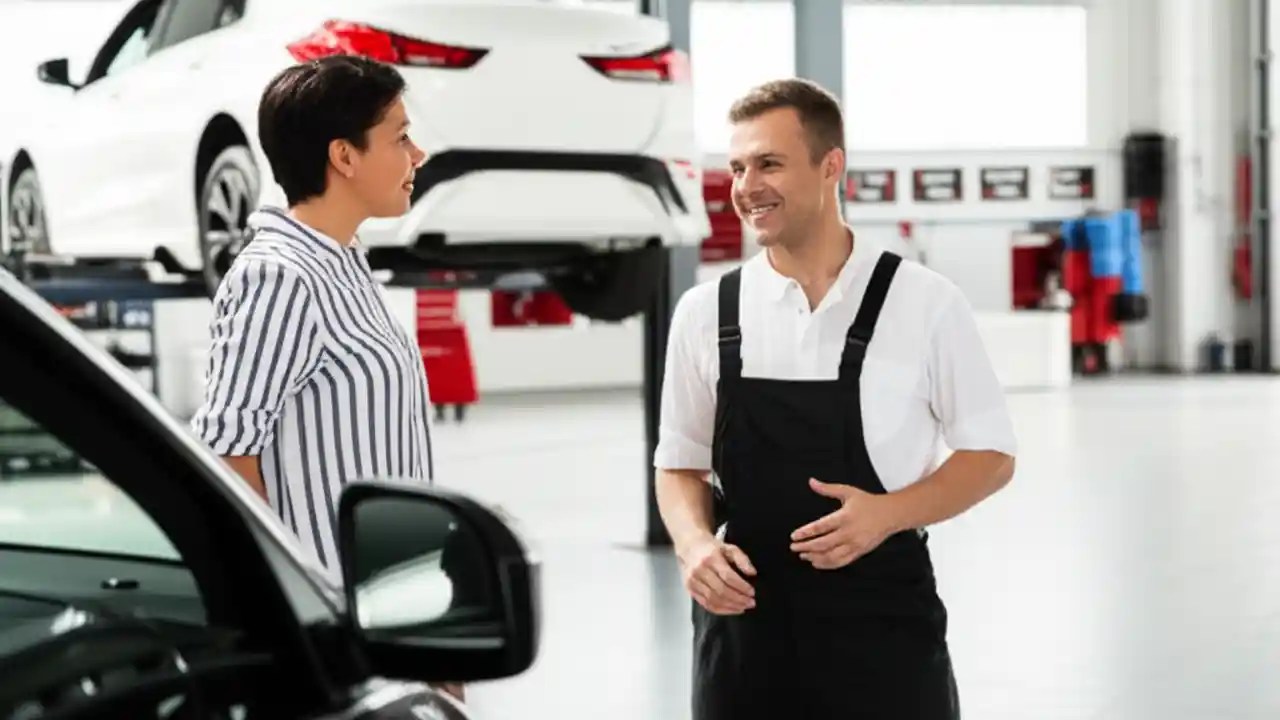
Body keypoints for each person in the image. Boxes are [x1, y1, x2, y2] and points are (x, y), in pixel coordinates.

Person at [653, 78, 1018, 719]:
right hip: (744, 641)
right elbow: (678, 463)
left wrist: (887, 513)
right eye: (737, 168)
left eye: (769, 163)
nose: (746, 187)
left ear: (831, 166)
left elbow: (991, 455)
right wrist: (694, 545)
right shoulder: (705, 312)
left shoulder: (924, 302)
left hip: (884, 637)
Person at [189, 55, 462, 700]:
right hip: (336, 634)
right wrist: (297, 614)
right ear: (344, 156)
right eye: (400, 137)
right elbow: (228, 454)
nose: (417, 154)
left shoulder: (345, 263)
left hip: (396, 612)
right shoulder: (279, 276)